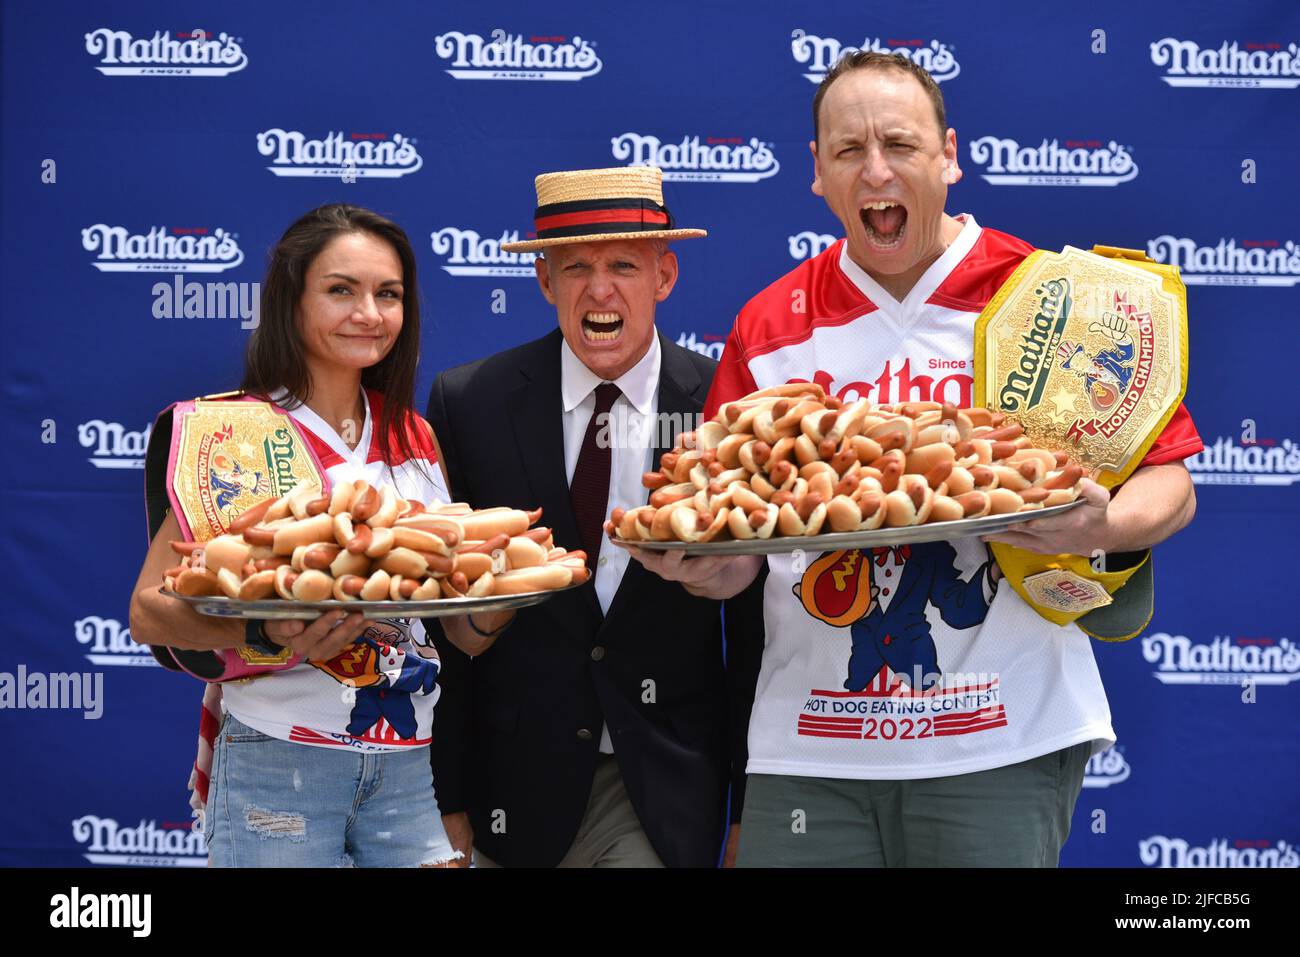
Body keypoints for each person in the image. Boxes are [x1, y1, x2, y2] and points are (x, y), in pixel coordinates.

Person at [622, 52, 1203, 867]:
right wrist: (704, 568)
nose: (876, 169)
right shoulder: (770, 325)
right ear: (816, 172)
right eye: (848, 151)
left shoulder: (1045, 296)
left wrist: (1102, 520)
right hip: (812, 746)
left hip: (1001, 738)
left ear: (950, 155)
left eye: (899, 143)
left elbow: (1171, 479)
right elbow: (740, 547)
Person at [129, 203, 508, 867]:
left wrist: (501, 589)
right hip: (282, 757)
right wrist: (264, 632)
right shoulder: (234, 432)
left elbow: (463, 632)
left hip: (411, 764)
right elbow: (148, 611)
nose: (369, 312)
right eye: (341, 290)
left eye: (387, 294)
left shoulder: (413, 436)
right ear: (290, 299)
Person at [425, 166, 764, 867]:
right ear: (544, 282)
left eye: (622, 265)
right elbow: (444, 621)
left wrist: (747, 808)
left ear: (664, 276)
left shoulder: (723, 406)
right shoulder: (472, 402)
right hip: (511, 792)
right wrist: (447, 796)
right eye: (575, 266)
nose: (599, 288)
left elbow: (754, 631)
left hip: (664, 792)